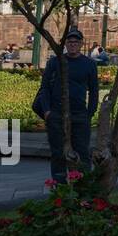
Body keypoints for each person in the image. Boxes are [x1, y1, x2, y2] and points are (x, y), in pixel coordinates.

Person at [33, 28, 100, 184]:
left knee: (82, 151)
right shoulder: (55, 62)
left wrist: (90, 113)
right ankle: (59, 186)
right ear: (65, 44)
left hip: (79, 114)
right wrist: (48, 111)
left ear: (81, 44)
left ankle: (83, 185)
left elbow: (94, 90)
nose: (72, 44)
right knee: (57, 152)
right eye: (70, 42)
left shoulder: (89, 64)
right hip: (57, 113)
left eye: (76, 42)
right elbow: (44, 88)